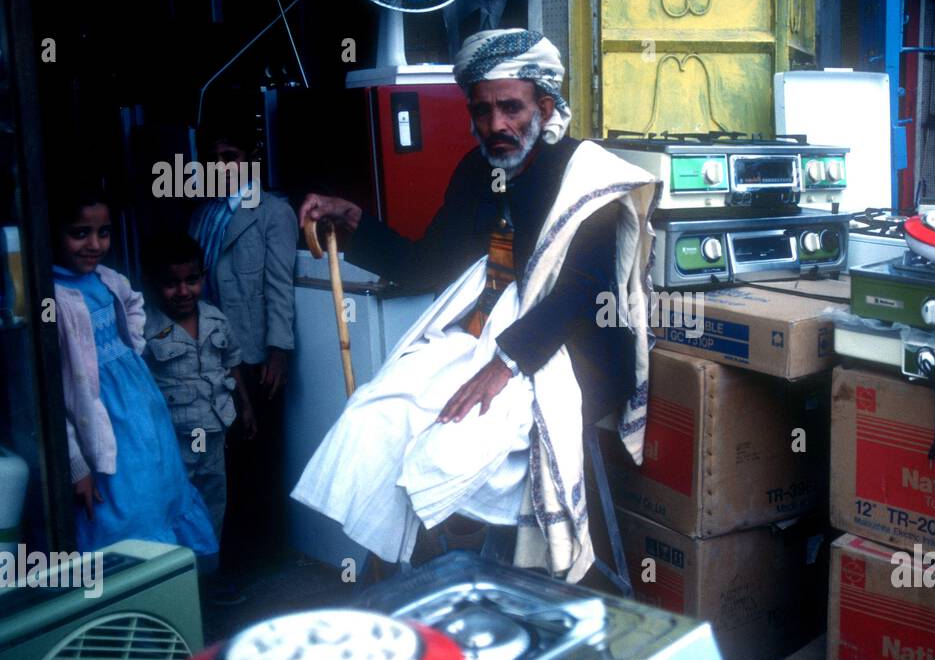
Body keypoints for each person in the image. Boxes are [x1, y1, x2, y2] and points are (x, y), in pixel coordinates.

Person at [294, 29, 658, 583]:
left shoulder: (587, 173)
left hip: (573, 353)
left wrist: (504, 366)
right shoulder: (476, 171)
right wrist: (355, 223)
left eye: (510, 108)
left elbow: (581, 292)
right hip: (483, 339)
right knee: (380, 413)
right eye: (482, 110)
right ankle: (422, 577)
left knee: (457, 442)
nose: (496, 126)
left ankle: (489, 563)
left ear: (544, 103)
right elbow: (427, 265)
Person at [51, 190, 216, 557]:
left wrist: (128, 348)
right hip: (104, 430)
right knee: (128, 509)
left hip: (143, 414)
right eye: (80, 233)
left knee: (163, 490)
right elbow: (54, 398)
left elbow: (133, 302)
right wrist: (77, 465)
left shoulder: (108, 278)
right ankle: (135, 592)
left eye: (104, 232)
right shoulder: (54, 297)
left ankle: (170, 583)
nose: (95, 244)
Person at [189, 121, 297, 584]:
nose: (222, 165)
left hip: (253, 354)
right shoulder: (203, 214)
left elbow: (278, 286)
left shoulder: (272, 211)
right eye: (215, 157)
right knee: (224, 458)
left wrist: (279, 351)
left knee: (257, 456)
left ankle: (265, 560)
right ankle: (236, 559)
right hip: (211, 351)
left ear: (250, 159)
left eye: (231, 156)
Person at [141, 233, 255, 585]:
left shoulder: (215, 319)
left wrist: (246, 407)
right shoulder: (144, 328)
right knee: (175, 507)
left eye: (191, 280)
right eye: (171, 284)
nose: (184, 291)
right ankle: (177, 581)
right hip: (174, 441)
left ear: (202, 277)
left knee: (213, 503)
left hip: (214, 433)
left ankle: (209, 575)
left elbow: (231, 363)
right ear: (153, 285)